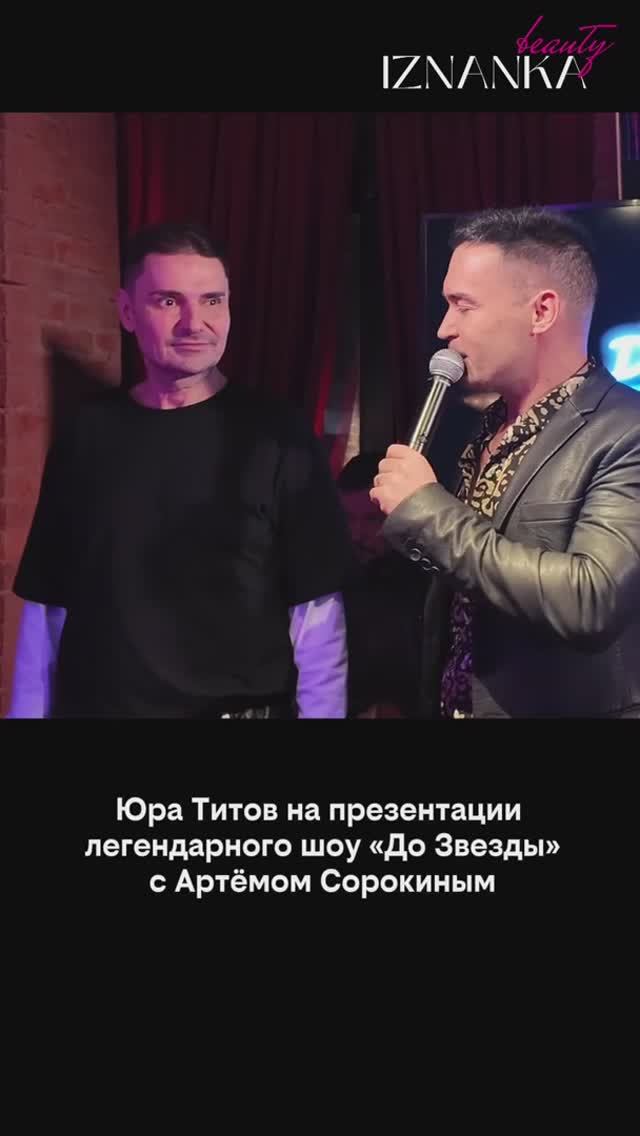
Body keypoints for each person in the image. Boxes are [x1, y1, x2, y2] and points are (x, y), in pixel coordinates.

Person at [8, 221, 352, 718]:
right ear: (127, 312)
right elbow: (48, 602)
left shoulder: (278, 436)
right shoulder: (88, 433)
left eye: (213, 300)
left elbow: (317, 615)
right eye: (169, 301)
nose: (195, 323)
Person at [371, 205, 640, 718]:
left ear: (541, 312)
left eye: (463, 305)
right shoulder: (486, 428)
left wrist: (427, 511)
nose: (445, 328)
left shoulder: (627, 430)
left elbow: (591, 598)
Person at [336, 453, 428, 717]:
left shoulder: (424, 583)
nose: (357, 534)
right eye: (348, 518)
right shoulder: (330, 579)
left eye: (371, 520)